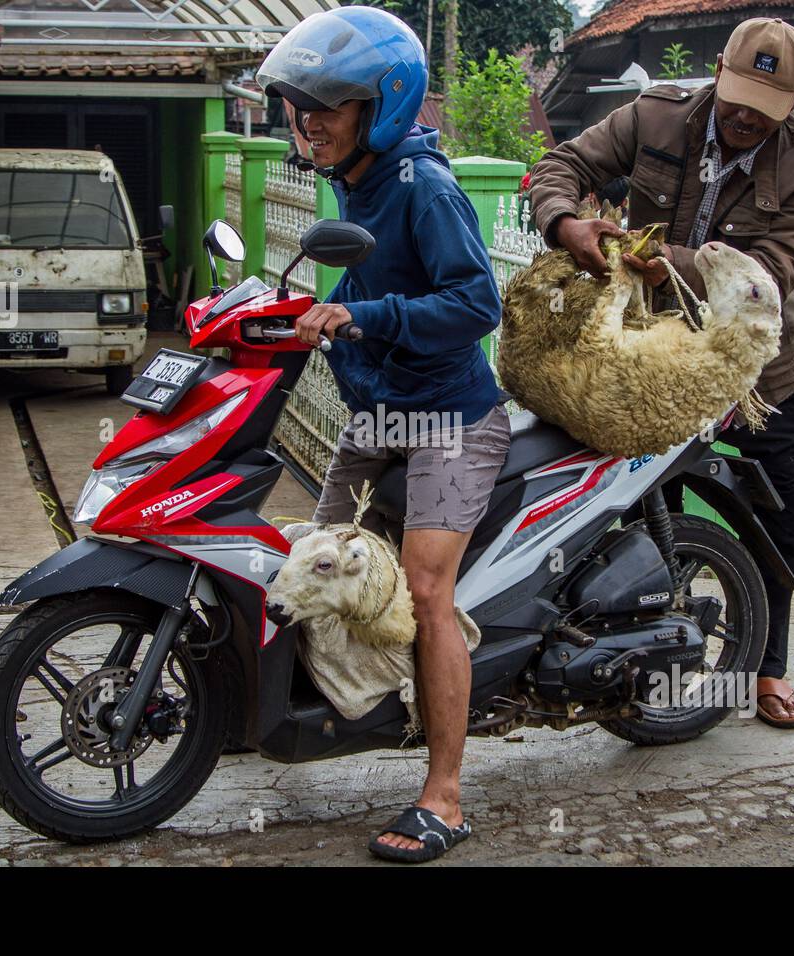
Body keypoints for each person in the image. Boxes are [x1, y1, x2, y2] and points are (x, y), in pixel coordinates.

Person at [528, 17, 794, 728]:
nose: (744, 117)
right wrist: (566, 224)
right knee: (627, 505)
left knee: (780, 525)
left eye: (765, 110)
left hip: (762, 374)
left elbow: (772, 276)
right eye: (735, 99)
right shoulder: (656, 115)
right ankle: (626, 650)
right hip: (650, 356)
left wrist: (666, 259)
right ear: (717, 73)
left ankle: (769, 669)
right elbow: (559, 168)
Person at [257, 6, 511, 862]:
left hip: (450, 420)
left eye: (327, 105)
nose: (308, 122)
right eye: (299, 106)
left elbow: (479, 303)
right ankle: (347, 707)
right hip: (379, 418)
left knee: (427, 594)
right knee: (313, 570)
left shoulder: (422, 186)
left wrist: (365, 317)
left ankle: (445, 796)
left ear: (386, 102)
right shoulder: (352, 178)